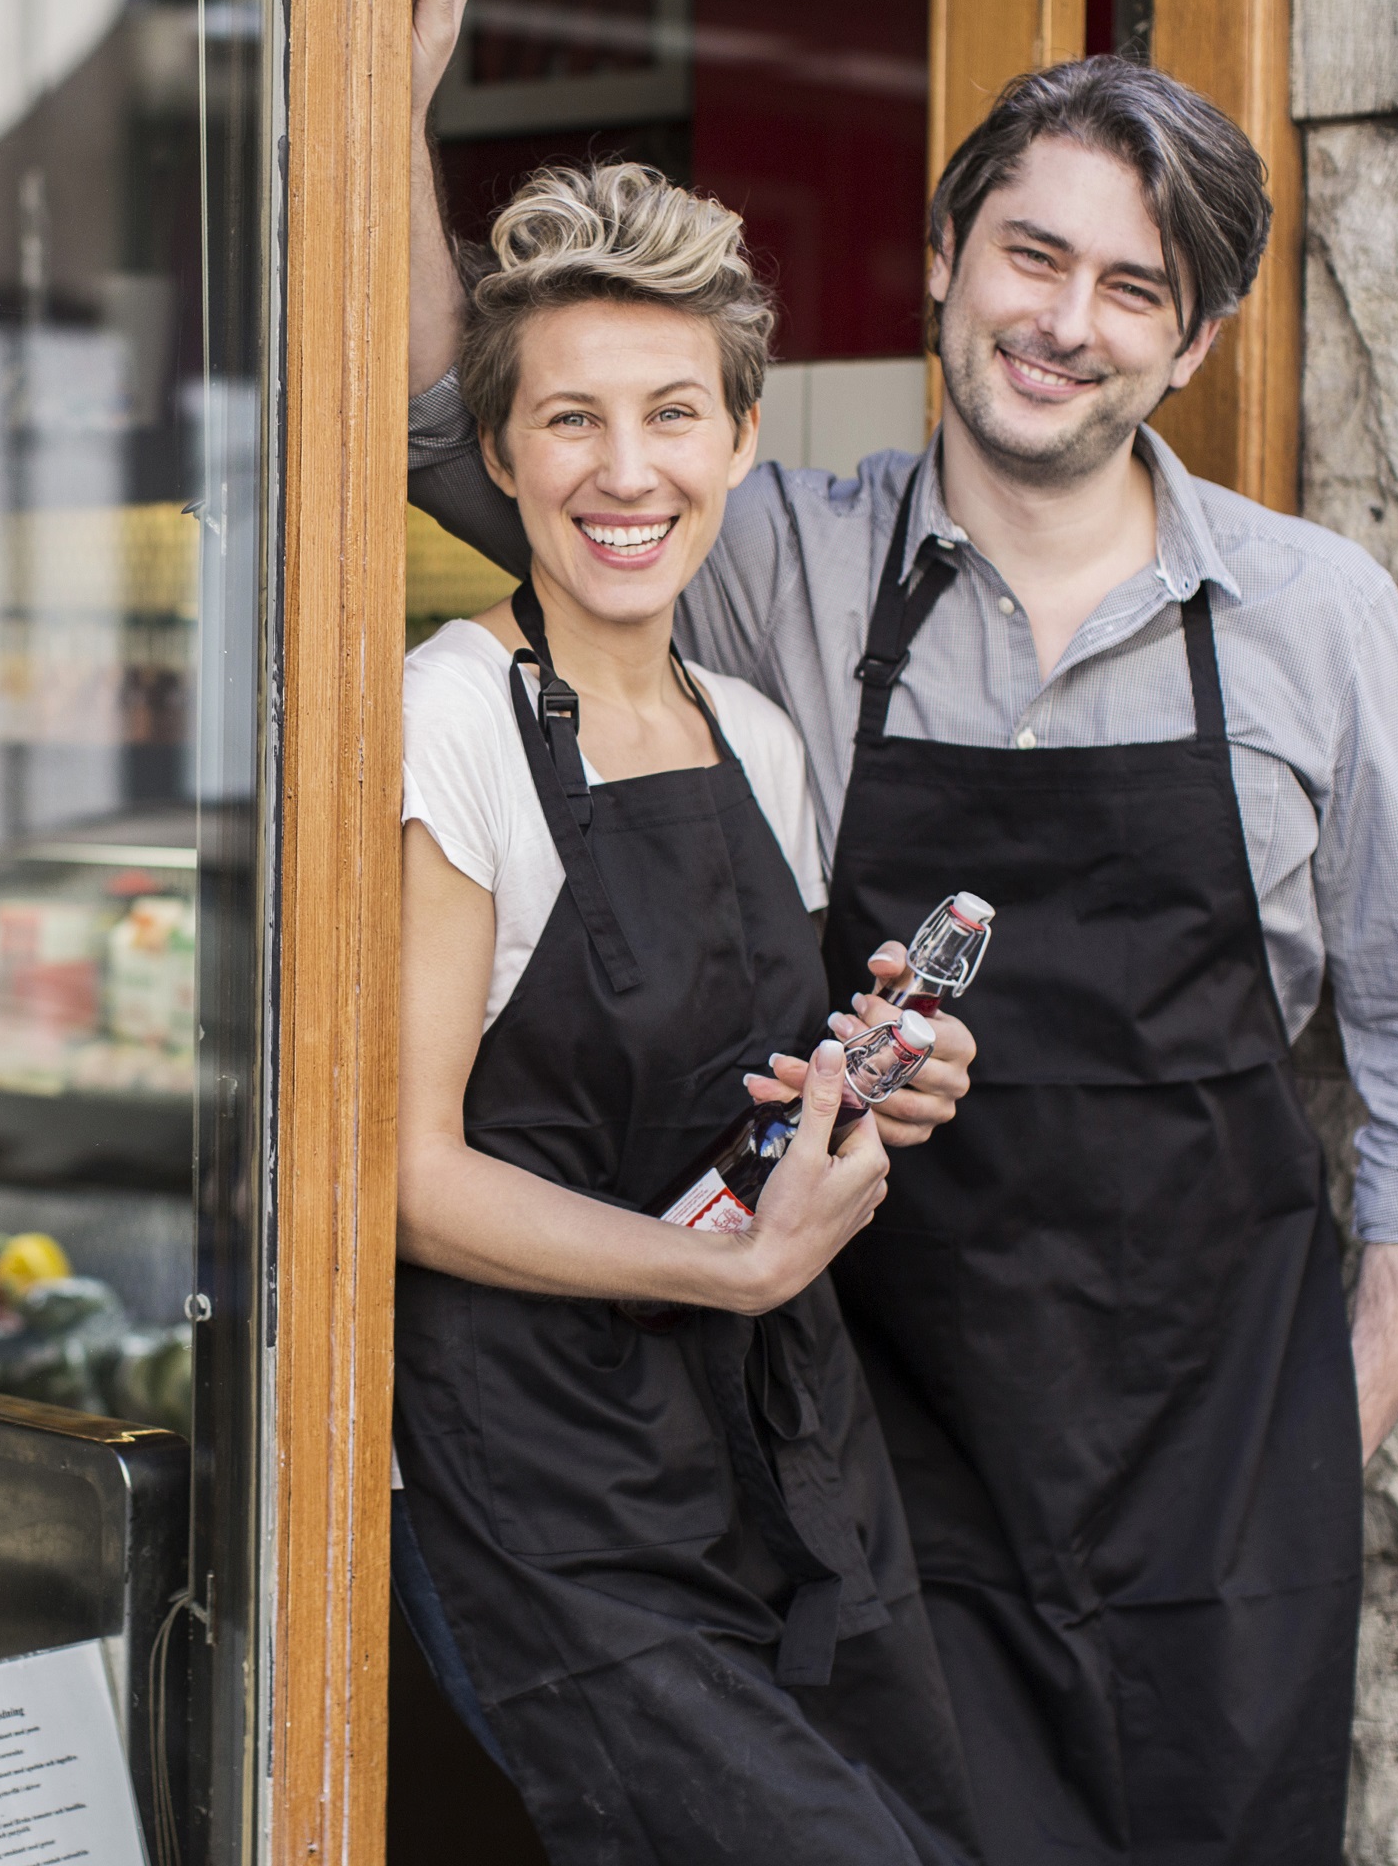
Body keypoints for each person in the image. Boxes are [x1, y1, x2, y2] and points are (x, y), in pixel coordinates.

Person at [398, 0, 1398, 1862]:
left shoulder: (1315, 617)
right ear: (942, 260)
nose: (1065, 324)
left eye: (1134, 289)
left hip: (1217, 1488)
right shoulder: (780, 560)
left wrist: (1315, 1452)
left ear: (1196, 340)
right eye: (1033, 254)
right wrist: (403, 95)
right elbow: (458, 435)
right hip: (886, 1464)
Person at [392, 157, 983, 1865]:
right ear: (500, 456)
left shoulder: (756, 734)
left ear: (741, 437)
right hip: (541, 1476)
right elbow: (407, 1178)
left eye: (673, 413)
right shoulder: (448, 722)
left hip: (774, 1431)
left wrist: (872, 1090)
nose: (626, 470)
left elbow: (743, 1094)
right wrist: (724, 1264)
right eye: (570, 422)